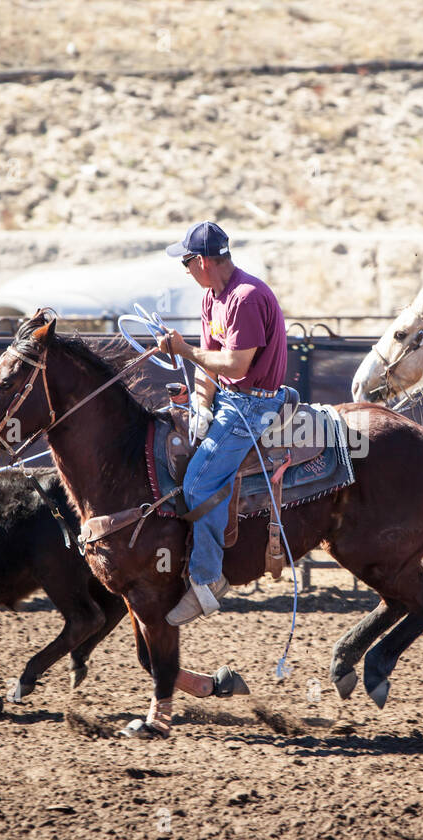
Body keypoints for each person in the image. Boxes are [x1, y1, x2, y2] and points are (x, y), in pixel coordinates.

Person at [156, 220, 289, 625]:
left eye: (186, 262)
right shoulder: (212, 297)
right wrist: (199, 405)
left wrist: (184, 350)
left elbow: (235, 363)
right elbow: (208, 363)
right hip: (232, 399)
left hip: (253, 404)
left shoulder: (246, 298)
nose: (185, 270)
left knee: (197, 482)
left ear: (204, 262)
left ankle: (208, 578)